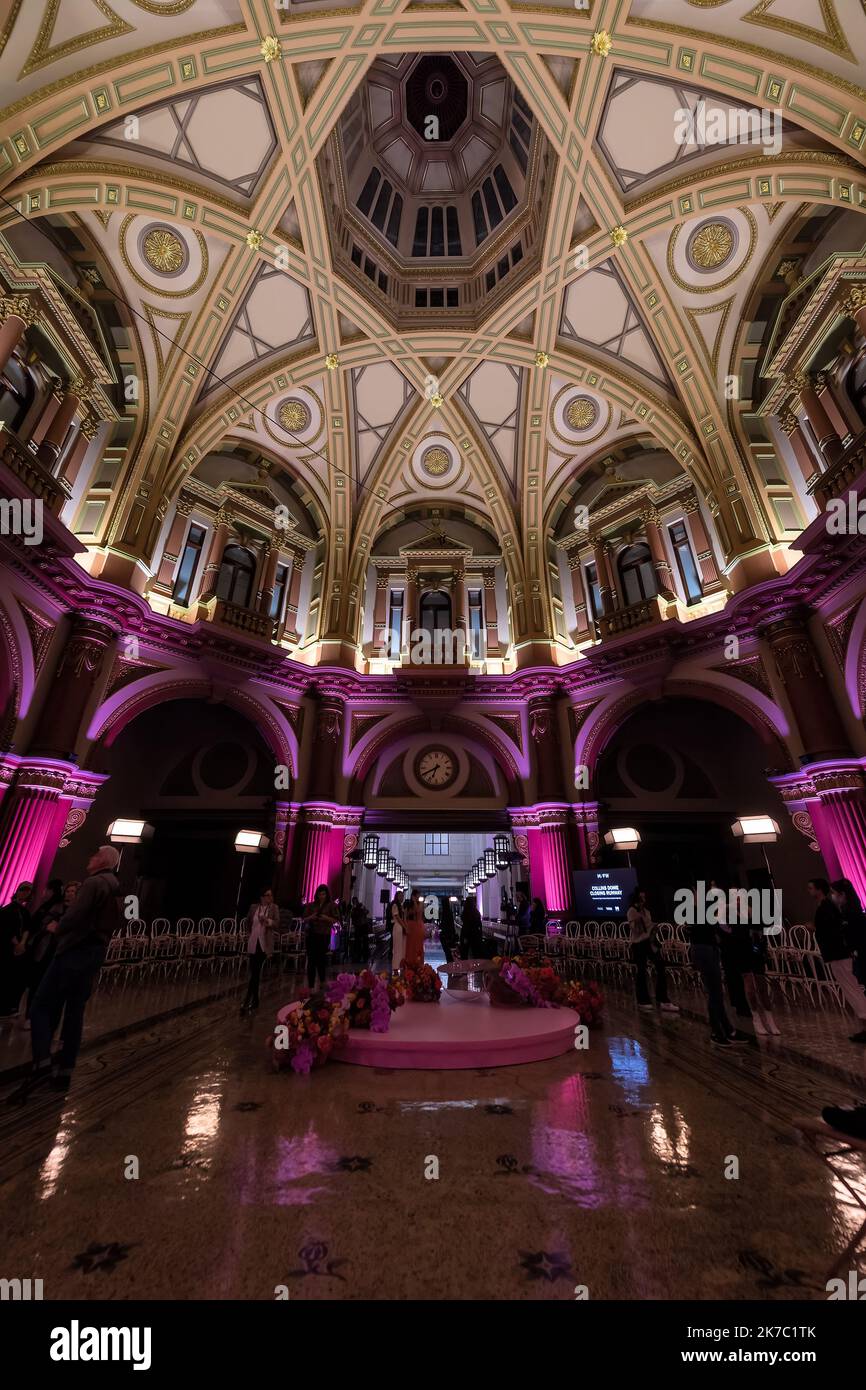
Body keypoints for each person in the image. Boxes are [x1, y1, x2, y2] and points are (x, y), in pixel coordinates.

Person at [10, 847, 121, 1101]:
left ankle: (42, 1062)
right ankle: (65, 1070)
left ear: (102, 860)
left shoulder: (94, 883)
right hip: (94, 953)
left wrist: (56, 927)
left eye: (93, 856)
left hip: (74, 952)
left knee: (39, 1005)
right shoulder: (115, 885)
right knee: (74, 1012)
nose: (89, 859)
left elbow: (75, 916)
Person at [808, 877, 866, 1042]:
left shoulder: (843, 912)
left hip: (841, 955)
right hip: (841, 954)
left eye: (834, 893)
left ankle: (864, 1024)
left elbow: (837, 932)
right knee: (852, 989)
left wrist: (816, 929)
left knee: (853, 989)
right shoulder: (842, 910)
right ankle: (862, 1025)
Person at [687, 885, 746, 1046]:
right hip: (703, 950)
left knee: (717, 992)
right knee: (714, 992)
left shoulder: (701, 909)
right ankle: (718, 1031)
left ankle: (726, 1029)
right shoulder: (695, 909)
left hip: (709, 949)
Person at [26, 880, 79, 1021]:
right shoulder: (55, 908)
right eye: (68, 891)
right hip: (46, 950)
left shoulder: (78, 913)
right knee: (37, 984)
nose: (69, 894)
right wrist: (48, 927)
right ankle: (29, 1016)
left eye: (73, 892)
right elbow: (42, 925)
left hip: (63, 953)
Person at [732, 900, 780, 1036]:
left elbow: (763, 930)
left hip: (756, 953)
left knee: (762, 987)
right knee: (750, 988)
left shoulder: (754, 914)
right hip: (742, 953)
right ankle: (756, 1018)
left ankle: (770, 1020)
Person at [627, 888, 678, 1014]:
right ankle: (643, 1000)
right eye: (642, 897)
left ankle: (663, 999)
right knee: (641, 971)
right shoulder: (632, 911)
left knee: (660, 967)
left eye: (644, 897)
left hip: (650, 943)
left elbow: (649, 928)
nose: (644, 900)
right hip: (638, 944)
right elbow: (637, 930)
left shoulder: (647, 911)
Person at [711, 879, 752, 1024]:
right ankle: (740, 1004)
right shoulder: (725, 911)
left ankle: (745, 1004)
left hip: (743, 946)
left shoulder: (745, 911)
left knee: (745, 976)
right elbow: (722, 927)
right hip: (730, 947)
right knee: (734, 977)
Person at [241, 888, 279, 1014]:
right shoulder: (254, 907)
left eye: (271, 895)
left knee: (256, 972)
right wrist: (249, 933)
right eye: (267, 895)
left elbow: (277, 923)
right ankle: (255, 1000)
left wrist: (267, 921)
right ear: (262, 897)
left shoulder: (274, 908)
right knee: (254, 973)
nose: (270, 898)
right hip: (253, 942)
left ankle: (247, 1000)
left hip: (264, 944)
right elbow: (248, 921)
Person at [0, 882, 33, 1020]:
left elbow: (27, 928)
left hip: (17, 949)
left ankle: (8, 1007)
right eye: (23, 890)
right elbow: (6, 929)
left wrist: (22, 943)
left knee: (12, 978)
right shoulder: (8, 910)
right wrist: (17, 943)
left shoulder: (25, 911)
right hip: (6, 948)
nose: (24, 893)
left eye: (27, 891)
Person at [830, 878, 866, 988]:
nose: (831, 896)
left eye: (833, 893)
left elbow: (854, 936)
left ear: (842, 894)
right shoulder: (847, 912)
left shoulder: (851, 914)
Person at [303, 885, 338, 990]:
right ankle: (310, 985)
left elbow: (336, 919)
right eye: (319, 894)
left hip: (324, 934)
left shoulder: (331, 905)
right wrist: (312, 917)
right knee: (311, 960)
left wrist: (325, 917)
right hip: (312, 934)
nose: (321, 896)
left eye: (323, 894)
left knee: (320, 959)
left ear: (327, 894)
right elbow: (304, 918)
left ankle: (322, 981)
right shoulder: (311, 905)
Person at [403, 889, 426, 970]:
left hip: (418, 927)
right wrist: (406, 927)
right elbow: (405, 916)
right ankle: (409, 963)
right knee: (410, 946)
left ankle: (418, 963)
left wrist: (415, 902)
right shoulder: (408, 905)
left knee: (418, 946)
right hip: (410, 926)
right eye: (417, 896)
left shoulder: (420, 904)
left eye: (419, 896)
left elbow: (418, 912)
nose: (418, 897)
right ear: (413, 896)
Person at [460, 895, 483, 960]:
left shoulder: (465, 913)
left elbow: (465, 925)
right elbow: (479, 925)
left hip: (466, 935)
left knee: (464, 953)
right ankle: (477, 968)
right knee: (476, 953)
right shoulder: (476, 913)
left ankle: (465, 967)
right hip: (475, 935)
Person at [390, 889, 406, 973]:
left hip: (401, 927)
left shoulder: (400, 906)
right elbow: (398, 918)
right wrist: (404, 926)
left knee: (401, 947)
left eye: (403, 896)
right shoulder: (395, 905)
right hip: (398, 927)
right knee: (397, 948)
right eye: (400, 896)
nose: (402, 898)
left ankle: (401, 965)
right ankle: (395, 967)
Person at [350, 896, 370, 964]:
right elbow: (352, 916)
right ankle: (358, 956)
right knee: (357, 942)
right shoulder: (353, 908)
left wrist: (362, 909)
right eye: (353, 902)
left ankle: (365, 956)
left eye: (355, 901)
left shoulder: (361, 906)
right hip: (358, 926)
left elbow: (367, 911)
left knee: (365, 941)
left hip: (363, 926)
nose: (354, 903)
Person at [438, 896, 457, 962]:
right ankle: (450, 963)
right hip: (449, 934)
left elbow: (444, 924)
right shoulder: (449, 912)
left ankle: (450, 963)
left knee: (447, 952)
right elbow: (451, 924)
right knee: (449, 952)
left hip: (445, 935)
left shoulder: (444, 912)